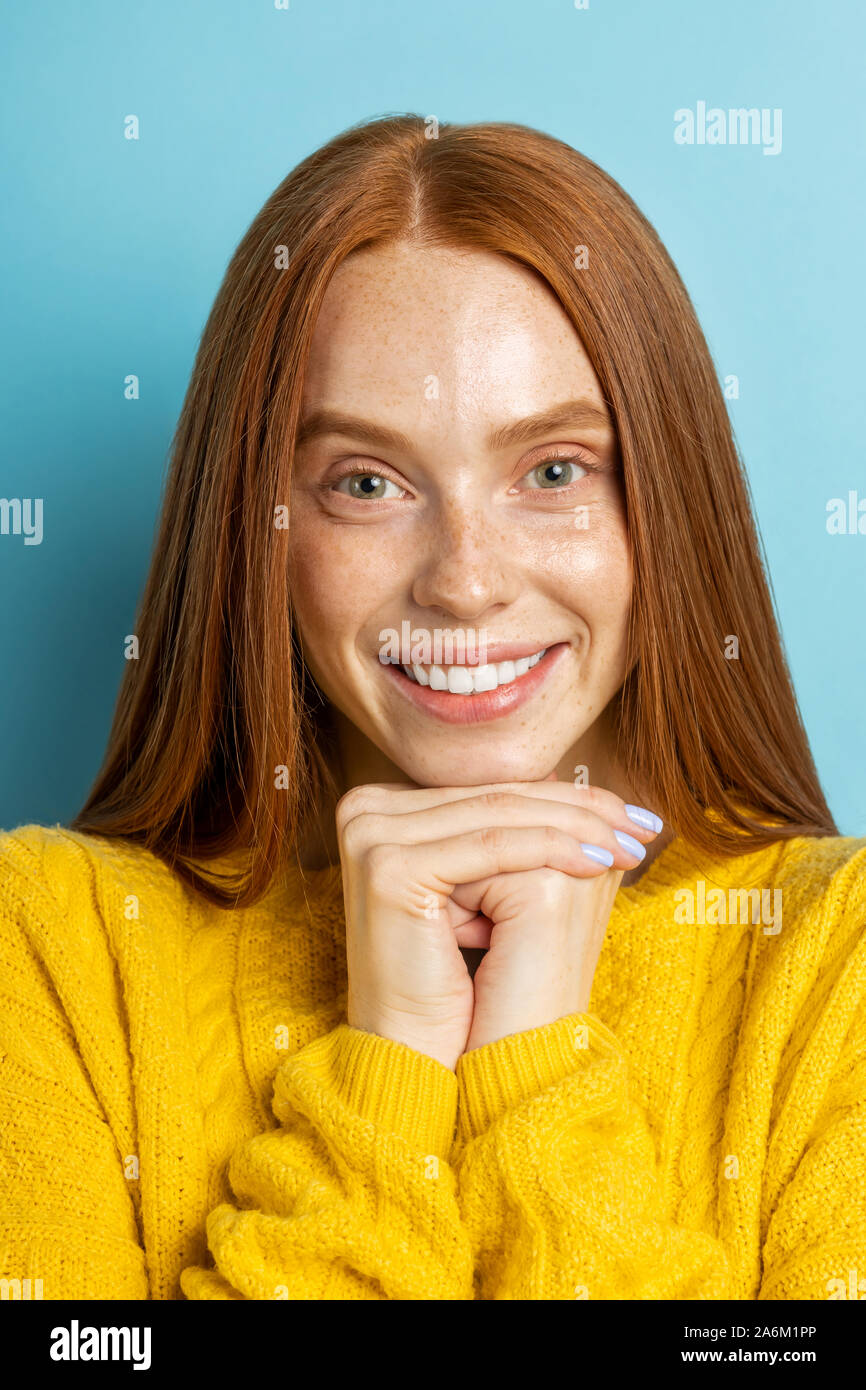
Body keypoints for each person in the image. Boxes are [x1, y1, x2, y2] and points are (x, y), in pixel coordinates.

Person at [1, 114, 863, 1302]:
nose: (464, 578)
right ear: (260, 529)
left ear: (666, 495)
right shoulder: (47, 947)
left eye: (554, 470)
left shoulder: (836, 964)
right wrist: (391, 1055)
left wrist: (531, 1071)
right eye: (366, 482)